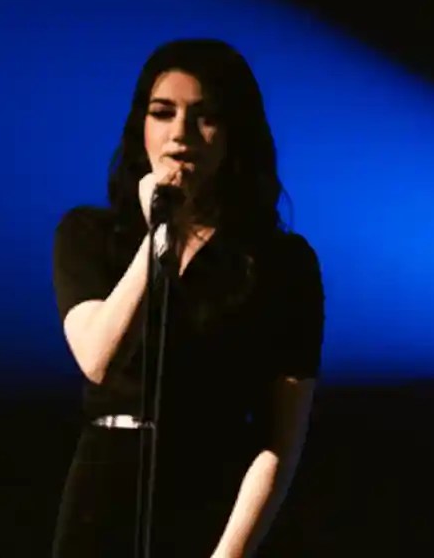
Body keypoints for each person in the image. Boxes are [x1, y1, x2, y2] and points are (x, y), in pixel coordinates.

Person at [50, 38, 326, 557]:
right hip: (102, 491)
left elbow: (280, 441)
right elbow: (100, 358)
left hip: (211, 494)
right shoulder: (89, 235)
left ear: (233, 135)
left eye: (205, 117)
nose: (180, 133)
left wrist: (229, 554)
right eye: (163, 113)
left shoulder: (282, 263)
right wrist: (160, 238)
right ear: (142, 128)